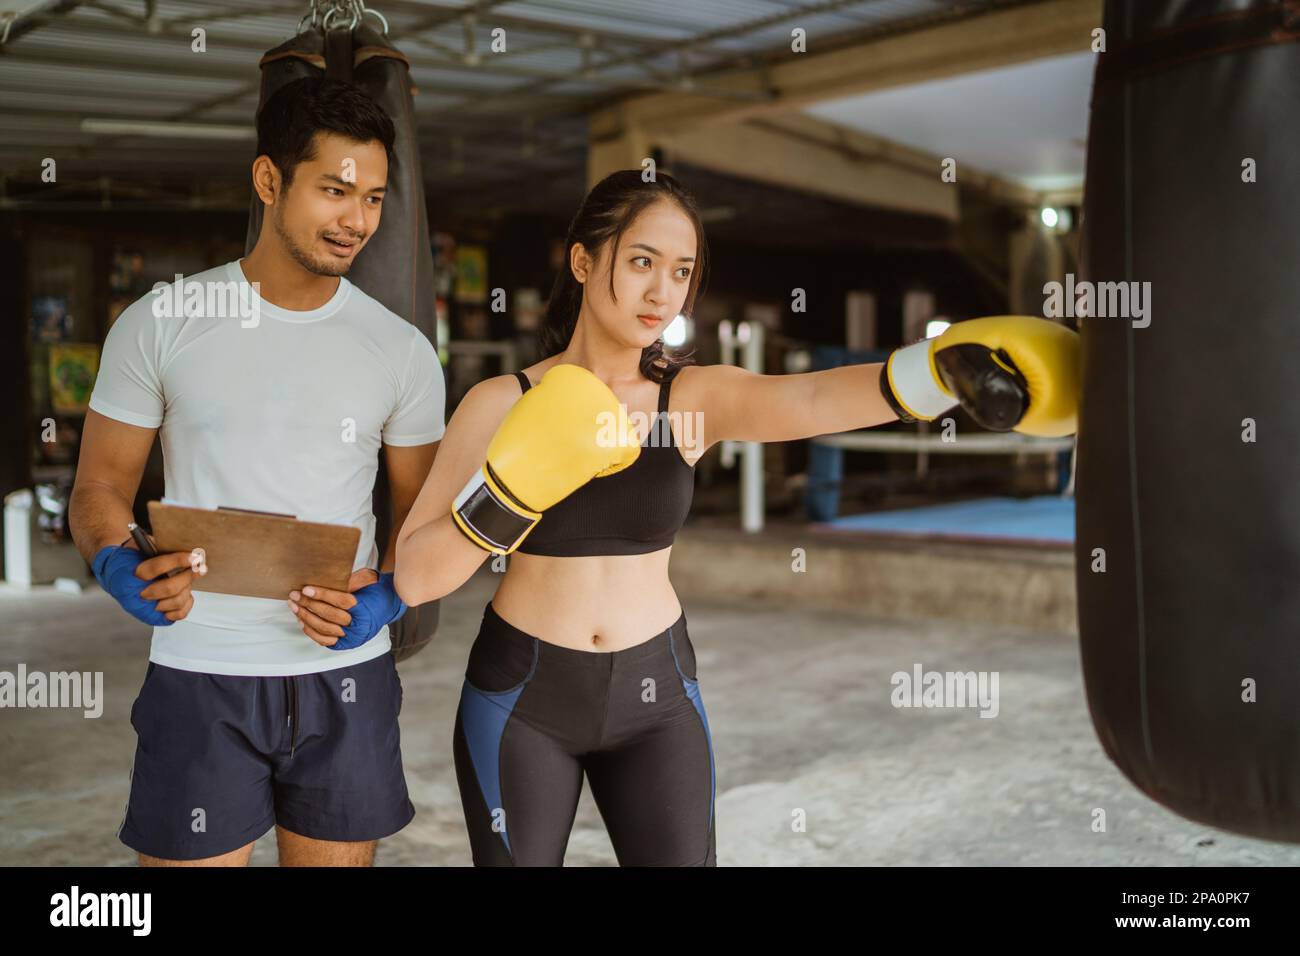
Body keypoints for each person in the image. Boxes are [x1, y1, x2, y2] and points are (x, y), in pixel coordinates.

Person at [394, 169, 1077, 866]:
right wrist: (509, 495)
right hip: (522, 700)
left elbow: (810, 402)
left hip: (655, 700)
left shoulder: (690, 398)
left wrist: (933, 374)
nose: (663, 291)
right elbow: (417, 579)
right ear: (582, 260)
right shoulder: (498, 403)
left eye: (682, 271)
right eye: (641, 262)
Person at [69, 76, 444, 866]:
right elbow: (99, 486)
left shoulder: (402, 351)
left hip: (343, 676)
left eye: (374, 198)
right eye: (335, 190)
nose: (357, 221)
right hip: (200, 669)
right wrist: (113, 560)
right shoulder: (160, 323)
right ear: (269, 180)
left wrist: (393, 592)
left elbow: (424, 519)